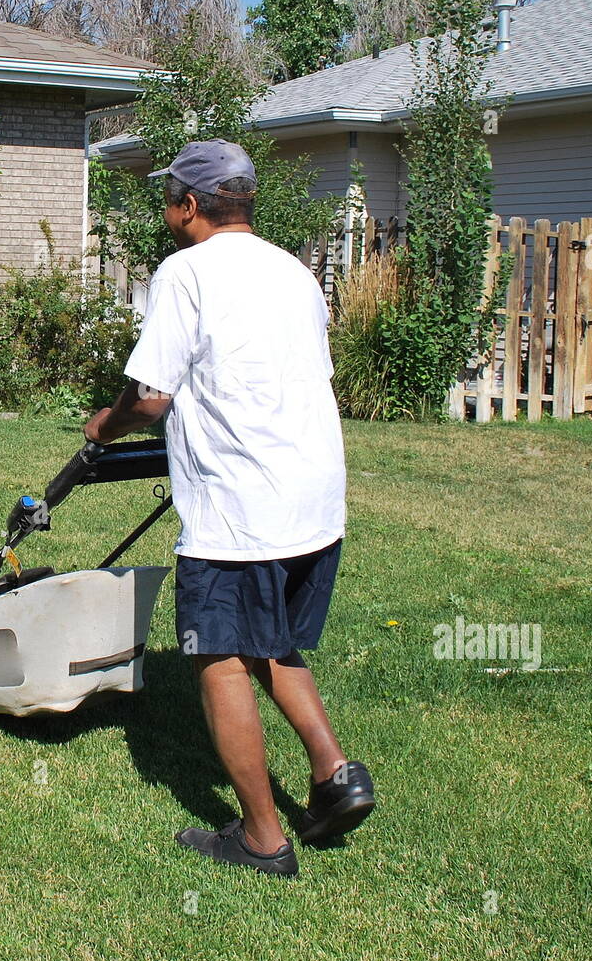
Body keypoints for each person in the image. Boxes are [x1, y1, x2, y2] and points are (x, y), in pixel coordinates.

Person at [83, 139, 375, 877]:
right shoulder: (294, 272)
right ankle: (336, 773)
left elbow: (150, 397)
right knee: (271, 639)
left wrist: (102, 426)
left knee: (218, 653)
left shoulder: (185, 273)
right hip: (315, 497)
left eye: (169, 198)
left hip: (242, 504)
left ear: (191, 206)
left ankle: (262, 838)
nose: (166, 210)